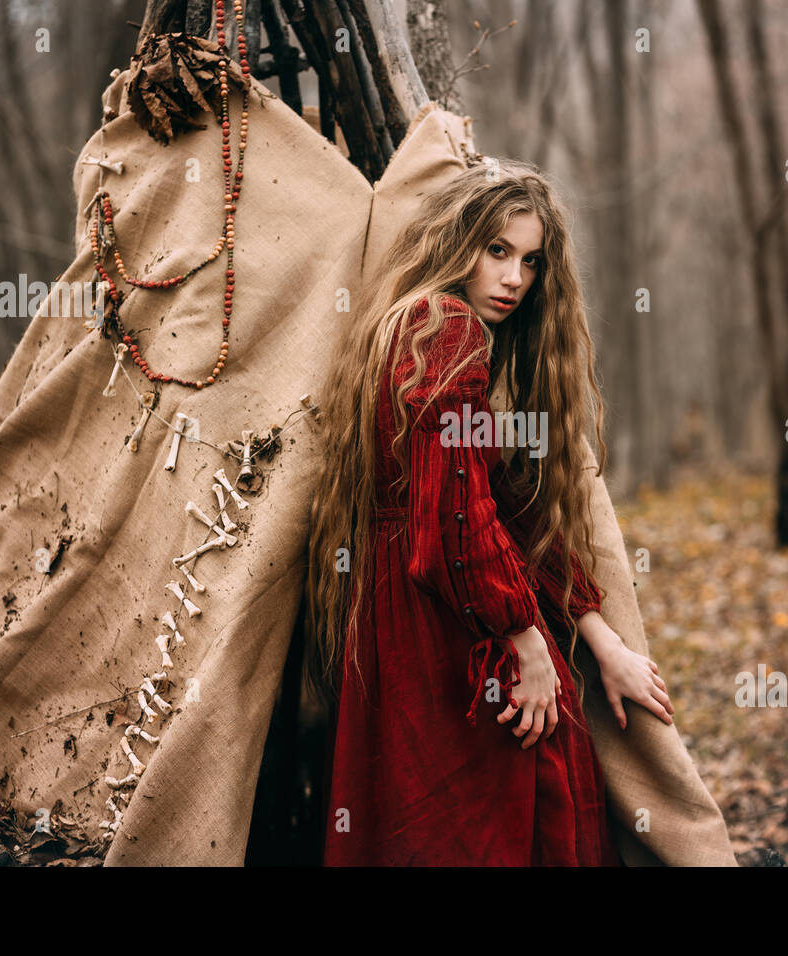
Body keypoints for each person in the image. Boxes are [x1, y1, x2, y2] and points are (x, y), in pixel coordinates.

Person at [305, 160, 674, 865]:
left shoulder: (405, 327)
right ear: (455, 242)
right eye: (496, 250)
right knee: (501, 820)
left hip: (409, 617)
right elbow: (453, 527)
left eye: (531, 262)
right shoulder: (446, 330)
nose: (514, 278)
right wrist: (525, 638)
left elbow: (499, 503)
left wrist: (602, 639)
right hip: (445, 629)